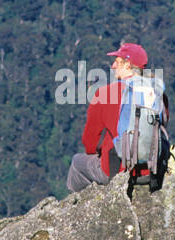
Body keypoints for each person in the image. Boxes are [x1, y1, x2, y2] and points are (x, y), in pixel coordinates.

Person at [67, 42, 165, 192]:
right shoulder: (156, 91)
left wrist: (99, 151)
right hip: (152, 170)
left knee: (76, 163)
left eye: (117, 62)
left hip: (117, 171)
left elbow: (89, 140)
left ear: (128, 65)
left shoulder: (105, 94)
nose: (113, 66)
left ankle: (77, 209)